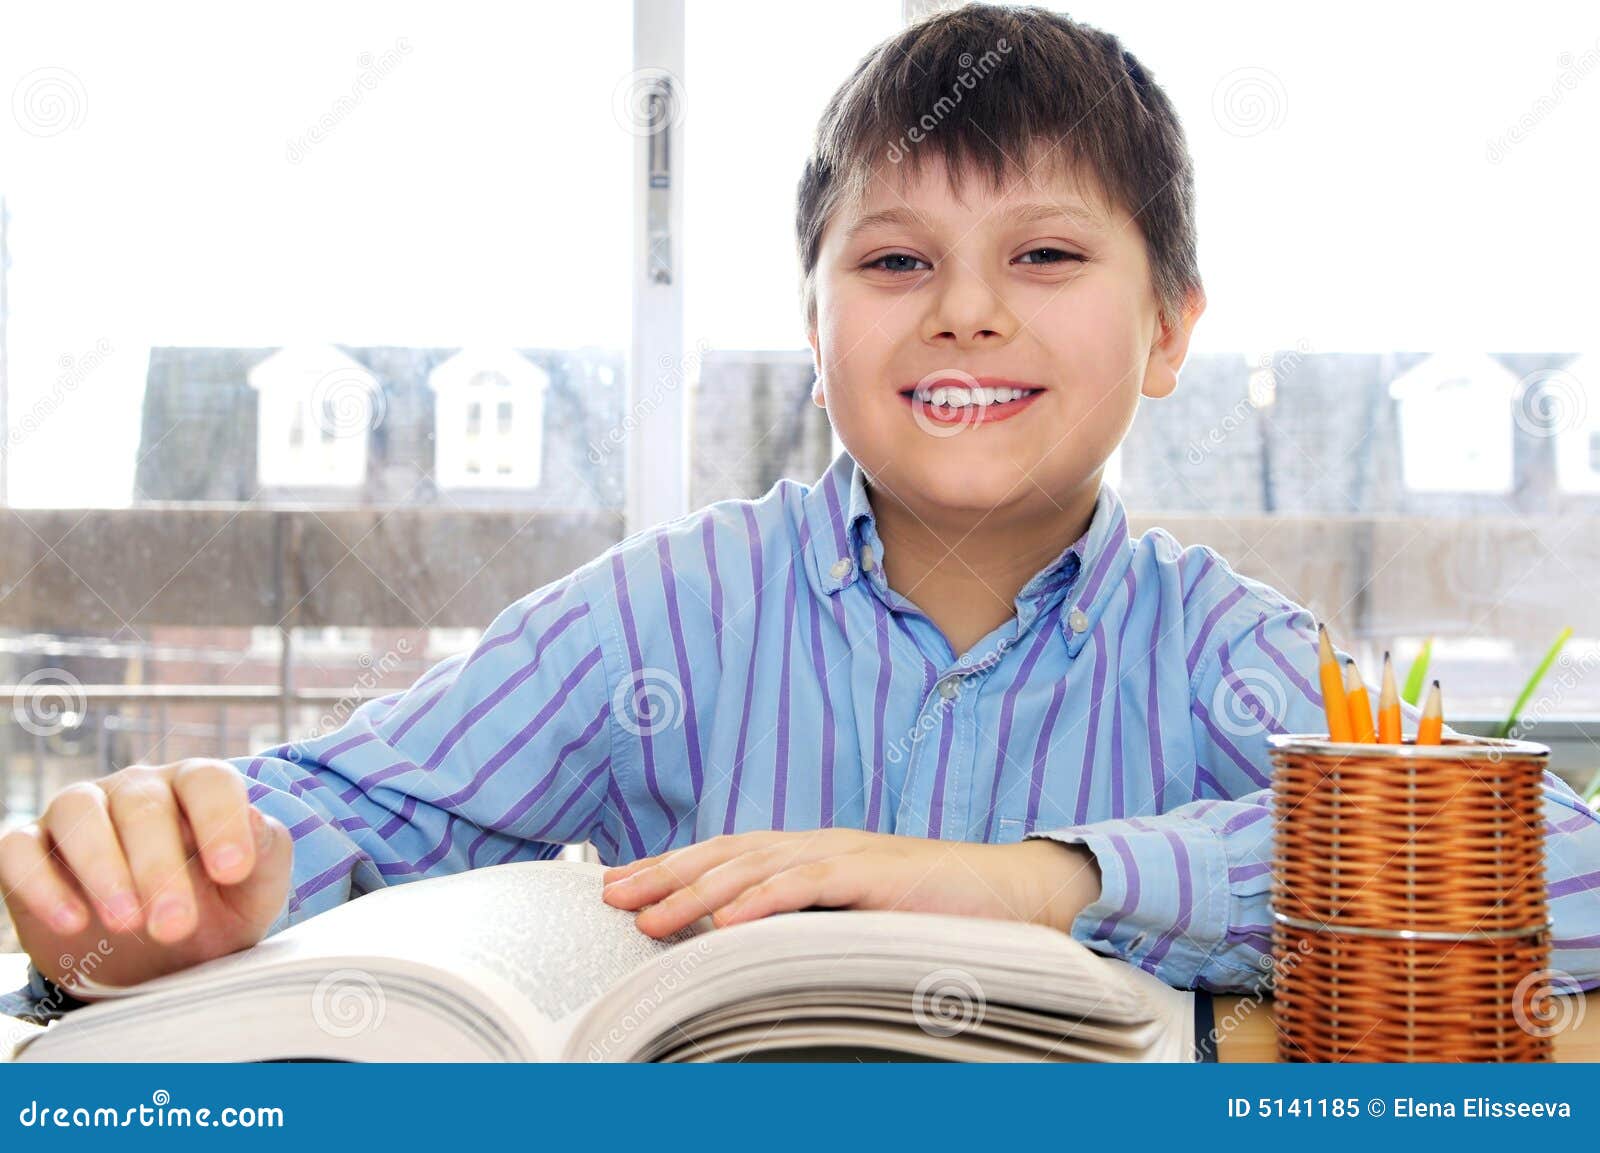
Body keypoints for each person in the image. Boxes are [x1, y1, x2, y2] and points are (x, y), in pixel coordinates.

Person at [5, 3, 1597, 1022]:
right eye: (895, 262)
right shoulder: (663, 615)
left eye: (1045, 257)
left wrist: (1046, 879)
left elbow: (1563, 875)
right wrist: (170, 888)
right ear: (816, 328)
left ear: (1172, 326)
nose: (965, 311)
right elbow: (352, 807)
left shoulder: (1229, 652)